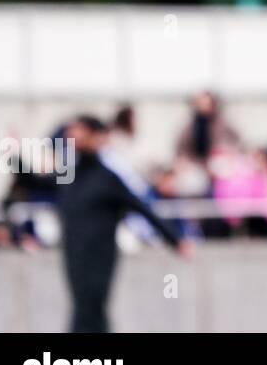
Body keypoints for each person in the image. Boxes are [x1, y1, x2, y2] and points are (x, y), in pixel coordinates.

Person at [48, 116, 192, 332]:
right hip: (73, 252)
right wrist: (11, 156)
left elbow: (142, 208)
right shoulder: (69, 175)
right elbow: (34, 180)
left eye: (79, 131)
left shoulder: (107, 178)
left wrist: (175, 239)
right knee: (84, 307)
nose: (72, 137)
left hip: (99, 255)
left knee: (90, 308)